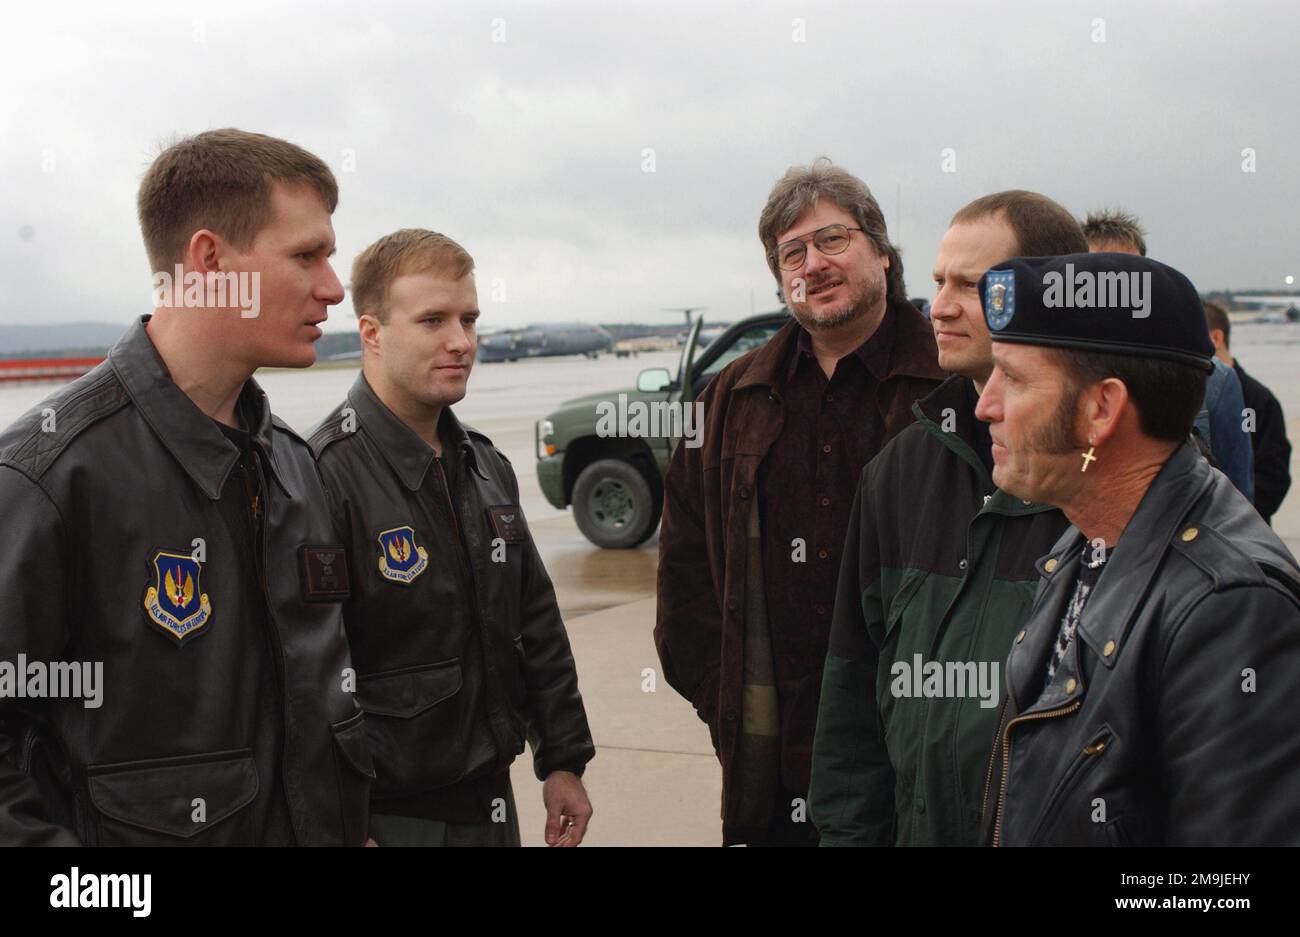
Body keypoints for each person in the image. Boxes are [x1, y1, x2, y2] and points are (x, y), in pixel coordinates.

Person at [0, 128, 372, 845]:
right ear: (209, 260)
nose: (332, 286)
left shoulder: (293, 466)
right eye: (306, 255)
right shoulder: (48, 479)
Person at [655, 158, 945, 845]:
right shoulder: (728, 401)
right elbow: (684, 577)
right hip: (775, 775)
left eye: (832, 240)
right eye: (792, 252)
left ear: (880, 248)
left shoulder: (954, 385)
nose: (812, 264)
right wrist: (731, 703)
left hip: (922, 769)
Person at [975, 252, 1300, 846]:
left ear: (1101, 409)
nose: (984, 406)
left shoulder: (1229, 607)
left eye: (1014, 379)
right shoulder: (1087, 542)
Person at [809, 191, 1086, 846]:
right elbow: (850, 705)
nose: (939, 306)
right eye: (938, 282)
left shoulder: (1115, 475)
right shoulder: (898, 472)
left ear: (1055, 296)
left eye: (971, 285)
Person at [309, 229, 594, 847]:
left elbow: (536, 623)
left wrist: (563, 758)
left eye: (469, 319)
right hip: (386, 818)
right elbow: (301, 677)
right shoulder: (321, 477)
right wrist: (335, 822)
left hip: (491, 802)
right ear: (372, 334)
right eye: (433, 320)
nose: (461, 342)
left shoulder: (487, 469)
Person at [1083, 207, 1254, 498]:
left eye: (1132, 275)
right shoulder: (1050, 377)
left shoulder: (1213, 379)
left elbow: (1238, 501)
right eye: (1100, 276)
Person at [1204, 299, 1292, 523]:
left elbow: (1275, 474)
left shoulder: (1259, 399)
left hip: (1242, 528)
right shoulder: (1191, 395)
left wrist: (1241, 517)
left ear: (1216, 338)